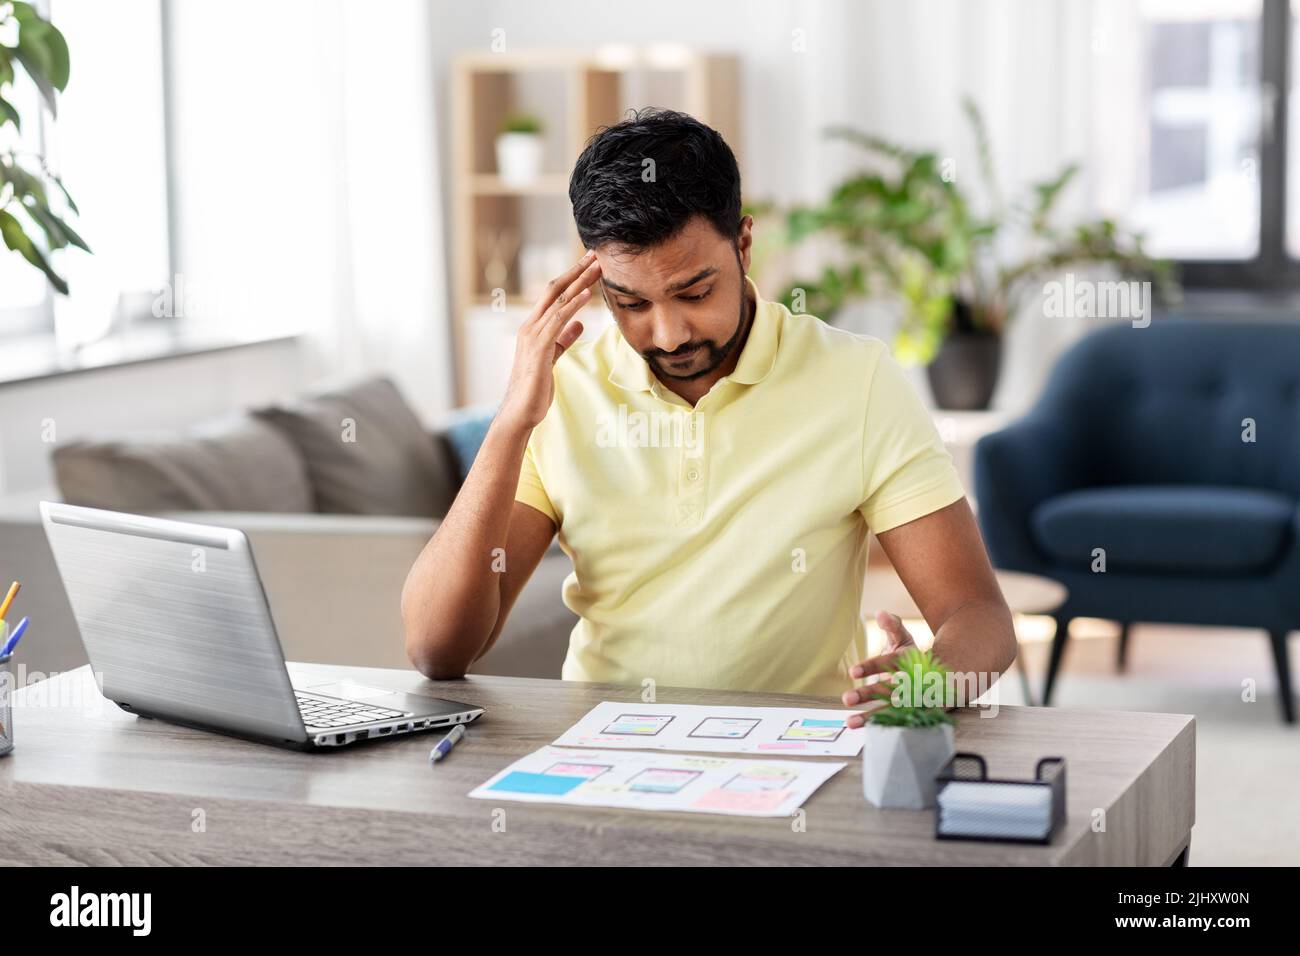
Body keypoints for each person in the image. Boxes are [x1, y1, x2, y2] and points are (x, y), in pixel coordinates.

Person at [402, 108, 1016, 726]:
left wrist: (929, 681)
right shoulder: (562, 391)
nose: (668, 335)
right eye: (630, 302)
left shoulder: (857, 381)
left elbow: (977, 614)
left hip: (797, 751)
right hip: (601, 749)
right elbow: (437, 649)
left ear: (744, 244)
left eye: (695, 293)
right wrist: (511, 422)